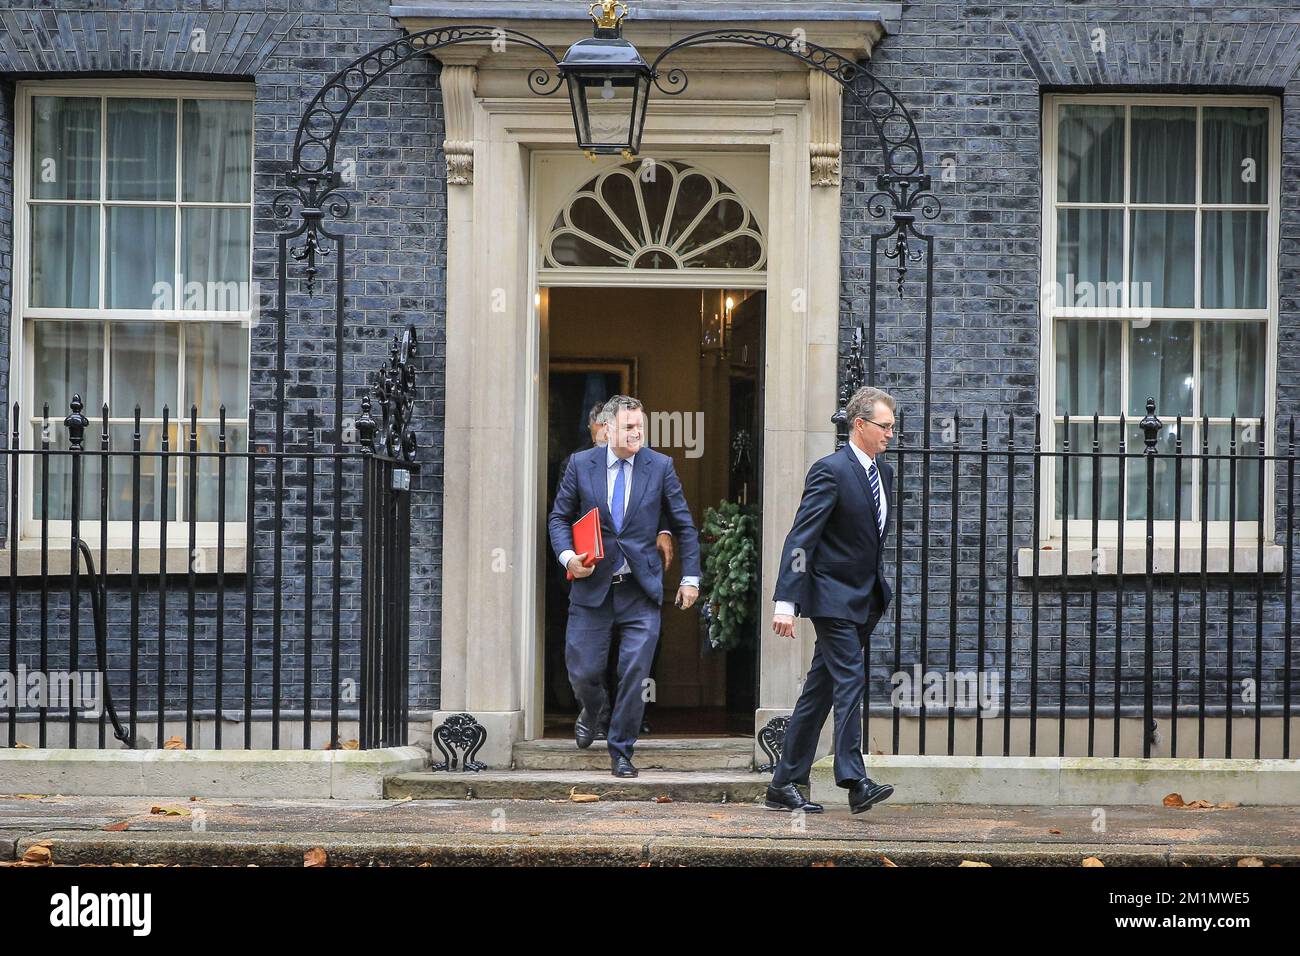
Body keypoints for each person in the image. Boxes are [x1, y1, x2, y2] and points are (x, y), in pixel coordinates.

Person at [548, 395, 700, 777]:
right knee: (582, 672)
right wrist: (569, 558)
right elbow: (559, 518)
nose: (637, 434)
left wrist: (690, 578)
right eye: (629, 427)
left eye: (640, 427)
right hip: (591, 588)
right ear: (607, 429)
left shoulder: (660, 466)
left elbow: (683, 524)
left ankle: (621, 751)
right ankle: (593, 708)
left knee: (634, 670)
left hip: (639, 589)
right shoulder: (581, 465)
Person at [765, 386, 898, 814]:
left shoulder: (883, 474)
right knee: (850, 679)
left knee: (818, 692)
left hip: (864, 601)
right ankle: (854, 779)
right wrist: (786, 600)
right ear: (859, 425)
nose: (890, 435)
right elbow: (801, 538)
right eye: (884, 426)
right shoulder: (830, 470)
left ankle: (783, 784)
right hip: (831, 599)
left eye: (893, 427)